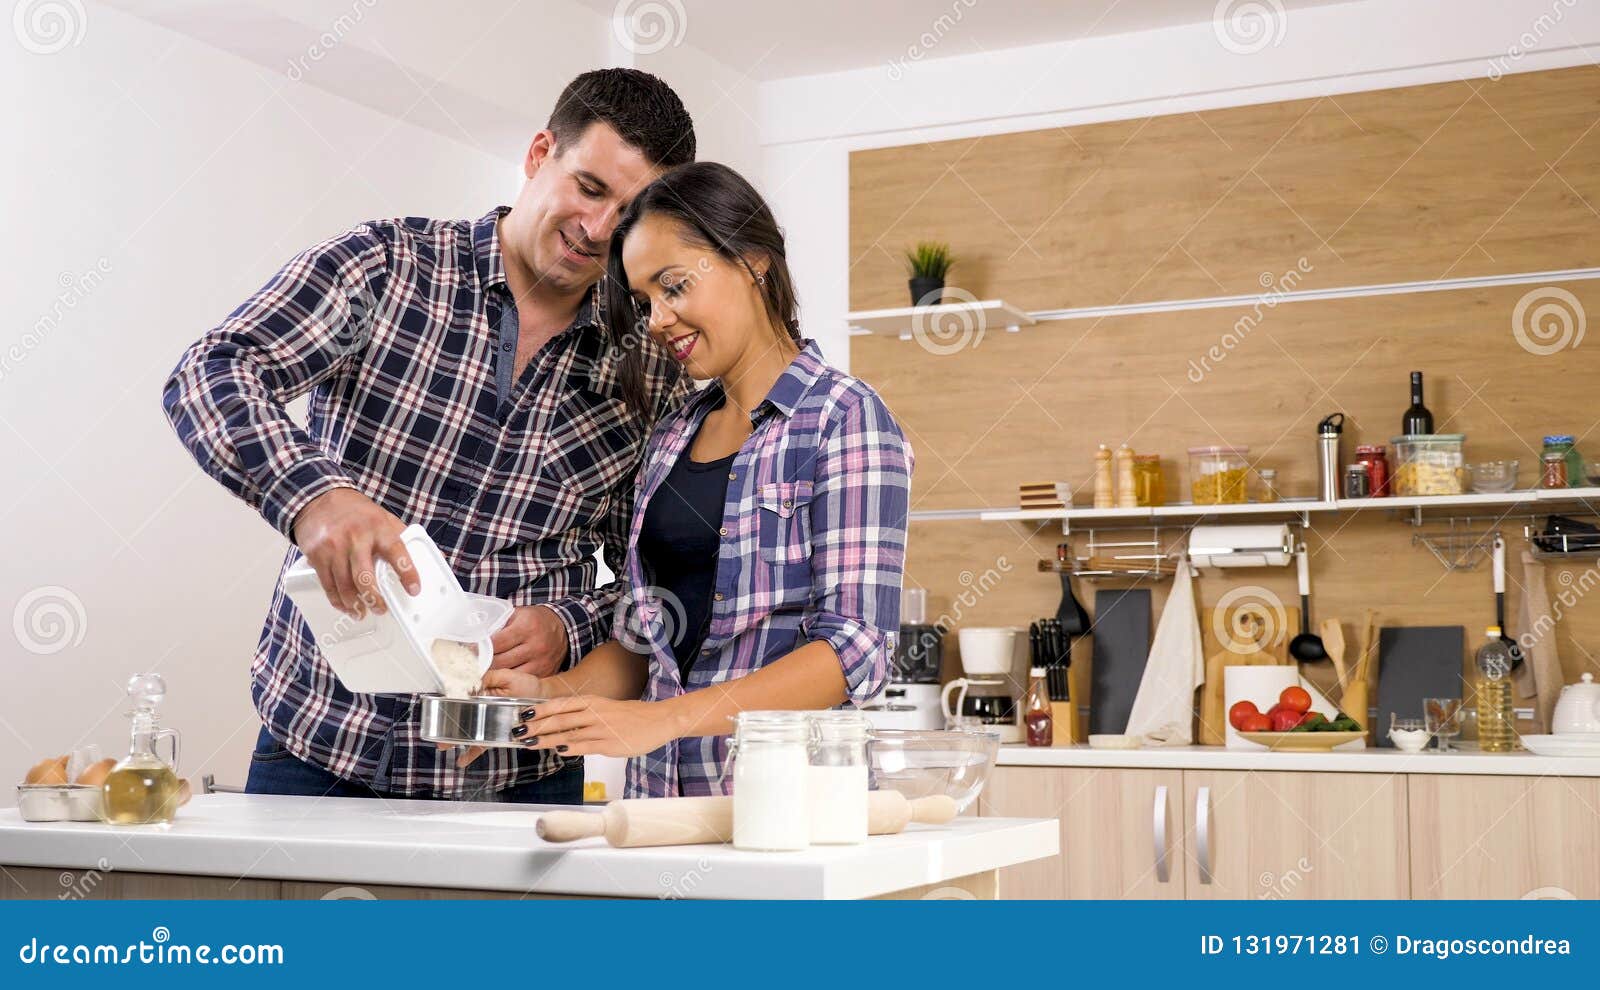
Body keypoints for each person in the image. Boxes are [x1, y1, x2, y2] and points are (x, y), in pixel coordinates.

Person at [160, 69, 695, 804]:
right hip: (317, 752)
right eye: (590, 187)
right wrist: (317, 498)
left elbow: (661, 581)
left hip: (520, 778)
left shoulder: (652, 368)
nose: (598, 230)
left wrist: (569, 626)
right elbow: (211, 373)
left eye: (627, 212)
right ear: (540, 153)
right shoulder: (388, 266)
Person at [463, 161, 914, 797]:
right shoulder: (672, 435)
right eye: (643, 299)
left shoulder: (845, 419)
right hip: (661, 809)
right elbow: (645, 639)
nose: (654, 320)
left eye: (673, 287)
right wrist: (546, 697)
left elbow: (854, 649)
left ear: (753, 261)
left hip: (786, 805)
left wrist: (664, 721)